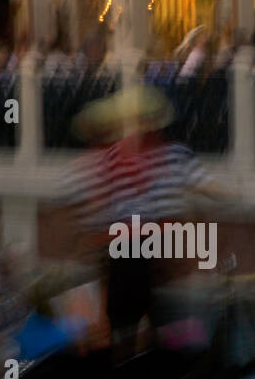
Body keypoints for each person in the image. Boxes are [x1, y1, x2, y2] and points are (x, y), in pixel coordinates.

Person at [65, 85, 230, 356]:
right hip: (126, 250)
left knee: (146, 307)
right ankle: (127, 348)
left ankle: (142, 347)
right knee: (125, 310)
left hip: (144, 250)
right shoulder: (113, 160)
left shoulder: (163, 156)